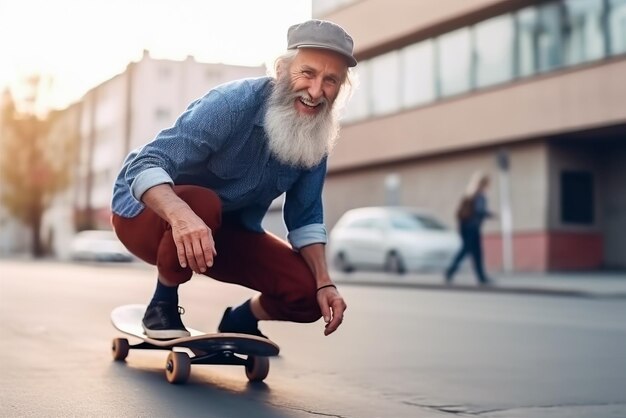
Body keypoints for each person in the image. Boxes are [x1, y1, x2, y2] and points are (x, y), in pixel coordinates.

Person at [110, 19, 355, 340]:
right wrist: (183, 217)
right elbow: (145, 163)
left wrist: (325, 282)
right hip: (147, 218)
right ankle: (162, 304)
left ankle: (241, 318)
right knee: (202, 203)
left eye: (330, 81)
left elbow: (306, 218)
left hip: (223, 230)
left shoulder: (316, 135)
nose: (315, 91)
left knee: (308, 294)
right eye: (307, 73)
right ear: (282, 70)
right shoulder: (232, 103)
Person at [445, 171, 495, 285]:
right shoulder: (480, 195)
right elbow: (479, 211)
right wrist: (489, 214)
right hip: (472, 227)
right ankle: (451, 271)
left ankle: (480, 277)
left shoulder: (470, 193)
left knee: (471, 251)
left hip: (464, 226)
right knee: (470, 251)